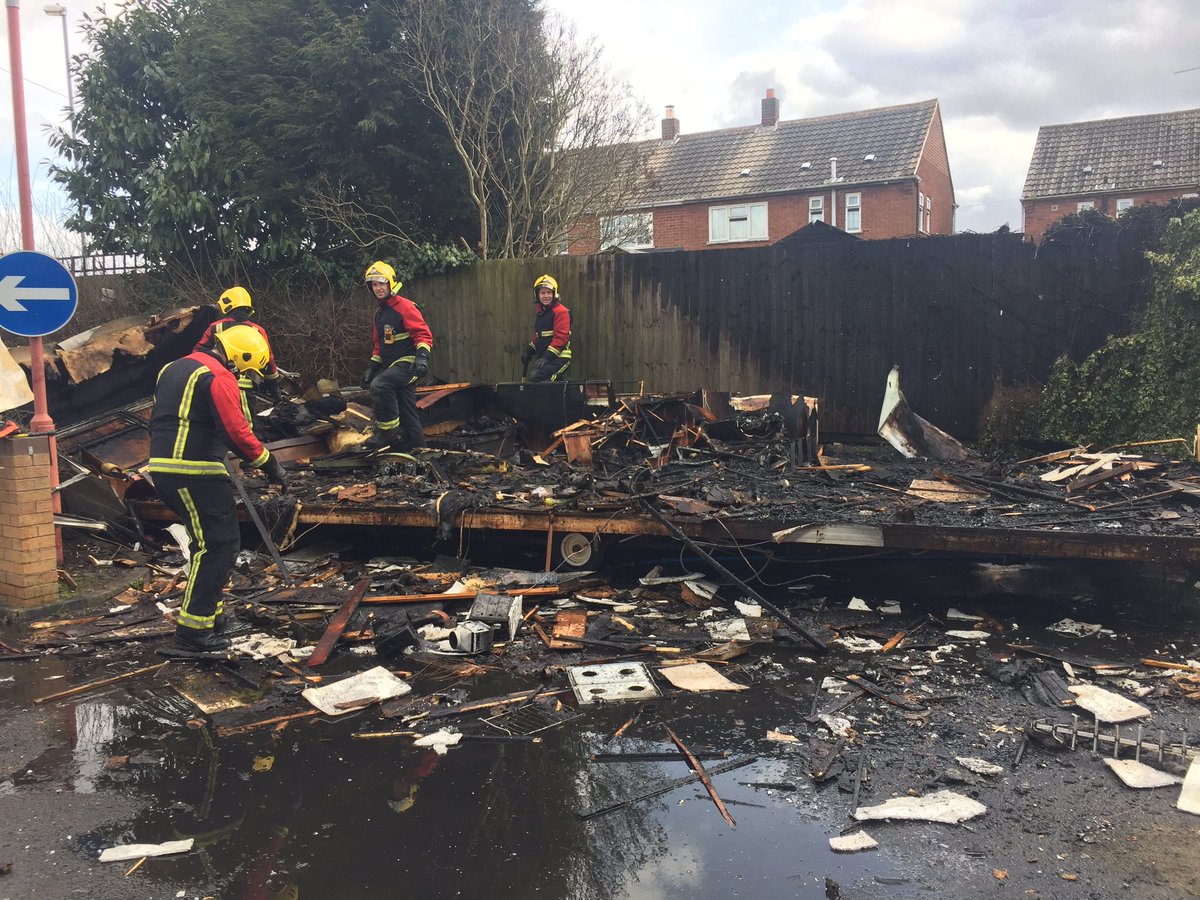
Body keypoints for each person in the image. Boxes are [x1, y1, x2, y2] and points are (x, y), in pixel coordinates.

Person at [150, 325, 288, 652]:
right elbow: (236, 431)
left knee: (208, 545)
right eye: (246, 369)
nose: (243, 375)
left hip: (164, 469)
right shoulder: (218, 376)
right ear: (240, 357)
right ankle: (193, 633)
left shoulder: (173, 368)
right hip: (196, 471)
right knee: (220, 546)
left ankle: (211, 618)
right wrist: (271, 465)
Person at [359, 261, 433, 452]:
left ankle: (387, 433)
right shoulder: (379, 315)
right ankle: (419, 453)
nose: (378, 288)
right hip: (393, 365)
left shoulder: (405, 307)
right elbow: (380, 345)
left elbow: (423, 334)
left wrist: (422, 357)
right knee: (409, 415)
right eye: (374, 285)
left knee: (380, 384)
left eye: (381, 284)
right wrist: (372, 367)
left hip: (409, 363)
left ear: (391, 283)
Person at [194, 286, 285, 411]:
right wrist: (275, 388)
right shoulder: (258, 330)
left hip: (217, 384)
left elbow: (198, 354)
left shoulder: (215, 327)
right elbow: (268, 361)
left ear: (227, 306)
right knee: (245, 425)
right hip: (246, 388)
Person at [521, 274, 572, 382]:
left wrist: (546, 358)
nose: (546, 296)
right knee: (554, 383)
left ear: (554, 294)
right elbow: (539, 337)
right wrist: (528, 351)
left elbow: (561, 338)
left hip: (560, 358)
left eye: (549, 292)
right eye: (542, 293)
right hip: (546, 359)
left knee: (539, 378)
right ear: (537, 295)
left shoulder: (561, 312)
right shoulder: (541, 313)